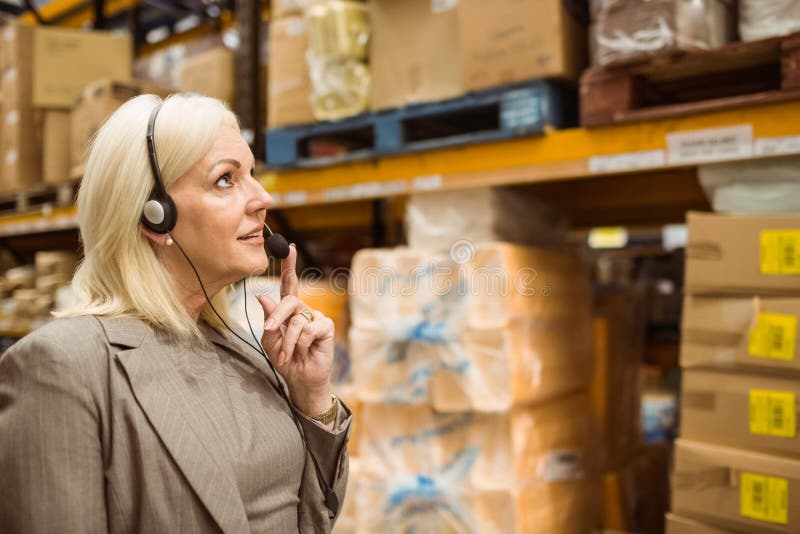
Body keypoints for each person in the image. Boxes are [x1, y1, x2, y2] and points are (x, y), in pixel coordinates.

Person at [0, 93, 351, 533]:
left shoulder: (246, 351)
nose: (262, 198)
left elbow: (314, 517)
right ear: (155, 217)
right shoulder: (63, 367)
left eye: (252, 175)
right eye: (226, 179)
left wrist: (311, 399)